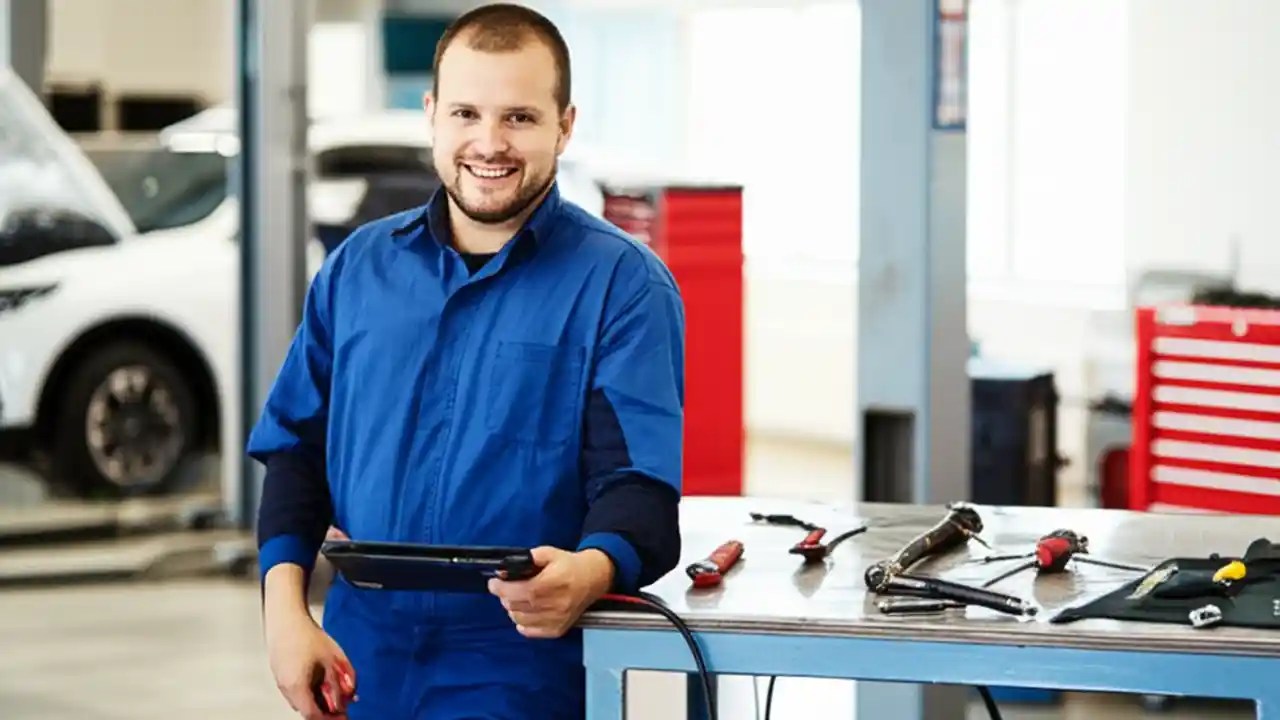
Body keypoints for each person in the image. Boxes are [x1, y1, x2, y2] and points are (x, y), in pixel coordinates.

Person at [248, 4, 685, 719]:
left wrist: (590, 570)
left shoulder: (622, 285)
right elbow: (298, 452)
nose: (489, 142)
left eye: (519, 117)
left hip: (523, 666)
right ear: (431, 115)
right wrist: (285, 616)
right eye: (465, 113)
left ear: (564, 125)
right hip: (363, 663)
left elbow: (638, 487)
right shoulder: (357, 271)